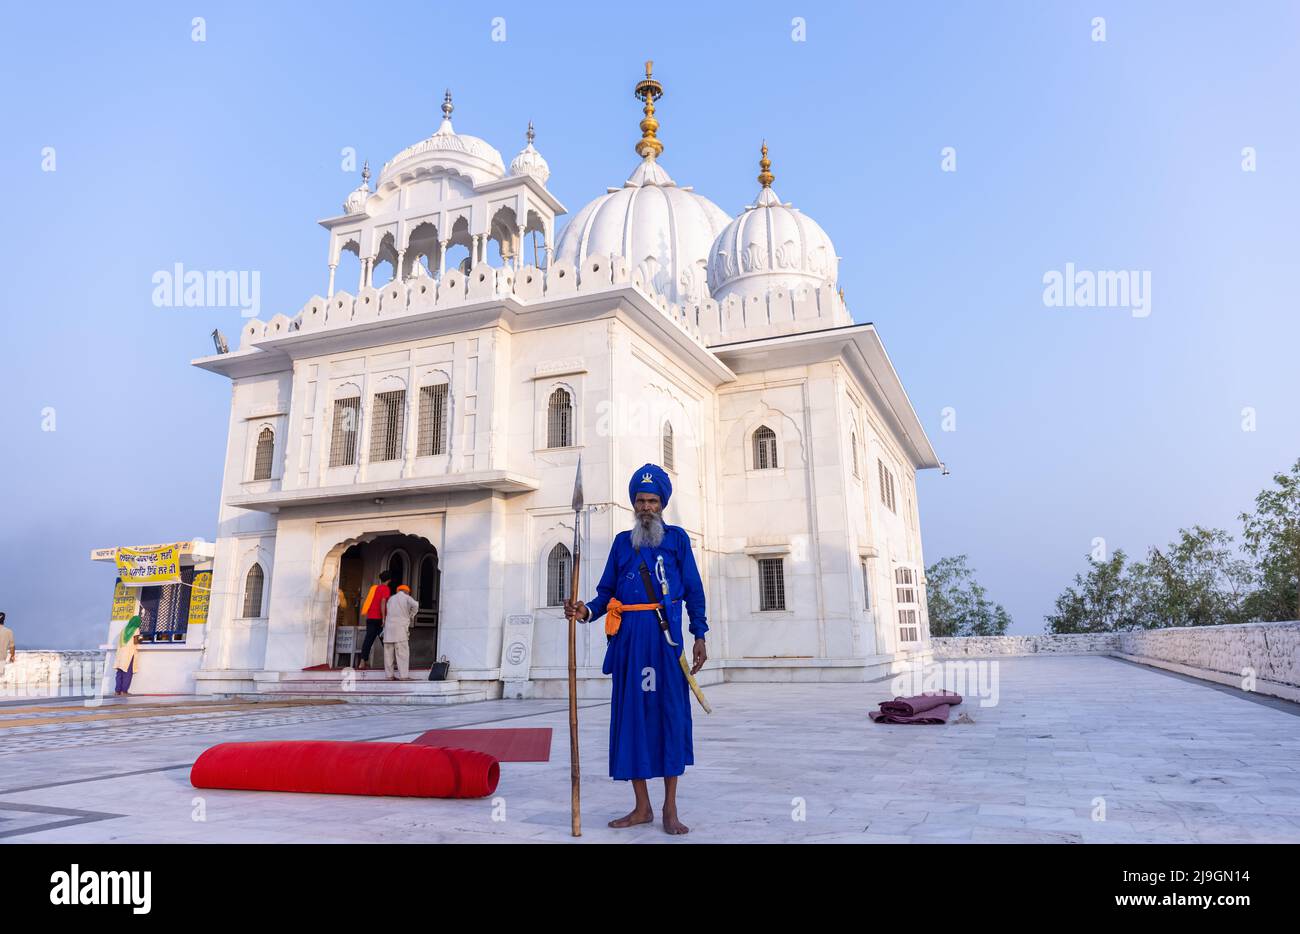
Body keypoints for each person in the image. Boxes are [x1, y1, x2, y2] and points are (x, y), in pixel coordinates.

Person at [565, 463, 708, 835]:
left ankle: (669, 808)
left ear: (662, 505)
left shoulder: (677, 540)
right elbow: (605, 593)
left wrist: (700, 634)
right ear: (634, 505)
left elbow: (693, 590)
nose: (646, 507)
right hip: (630, 645)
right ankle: (641, 807)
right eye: (641, 501)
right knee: (634, 721)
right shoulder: (621, 544)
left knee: (670, 720)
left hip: (666, 644)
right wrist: (586, 611)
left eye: (652, 501)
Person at [357, 569, 393, 670]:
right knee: (386, 641)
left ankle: (362, 662)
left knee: (368, 640)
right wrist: (383, 619)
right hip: (379, 619)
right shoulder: (385, 589)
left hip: (370, 617)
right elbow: (383, 603)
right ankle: (390, 664)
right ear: (389, 580)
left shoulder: (374, 588)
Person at [382, 582, 419, 681]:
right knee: (402, 653)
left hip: (389, 629)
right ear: (406, 591)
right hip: (400, 630)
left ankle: (389, 676)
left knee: (388, 654)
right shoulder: (407, 598)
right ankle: (403, 676)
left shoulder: (391, 599)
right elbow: (416, 605)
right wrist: (410, 615)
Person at [114, 616, 142, 696]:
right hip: (129, 654)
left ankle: (117, 691)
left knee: (119, 673)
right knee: (127, 673)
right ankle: (124, 691)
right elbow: (137, 642)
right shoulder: (136, 630)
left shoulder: (123, 630)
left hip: (120, 654)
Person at [0, 612, 14, 679]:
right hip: (2, 659)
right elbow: (12, 646)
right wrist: (12, 657)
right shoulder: (9, 631)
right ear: (4, 619)